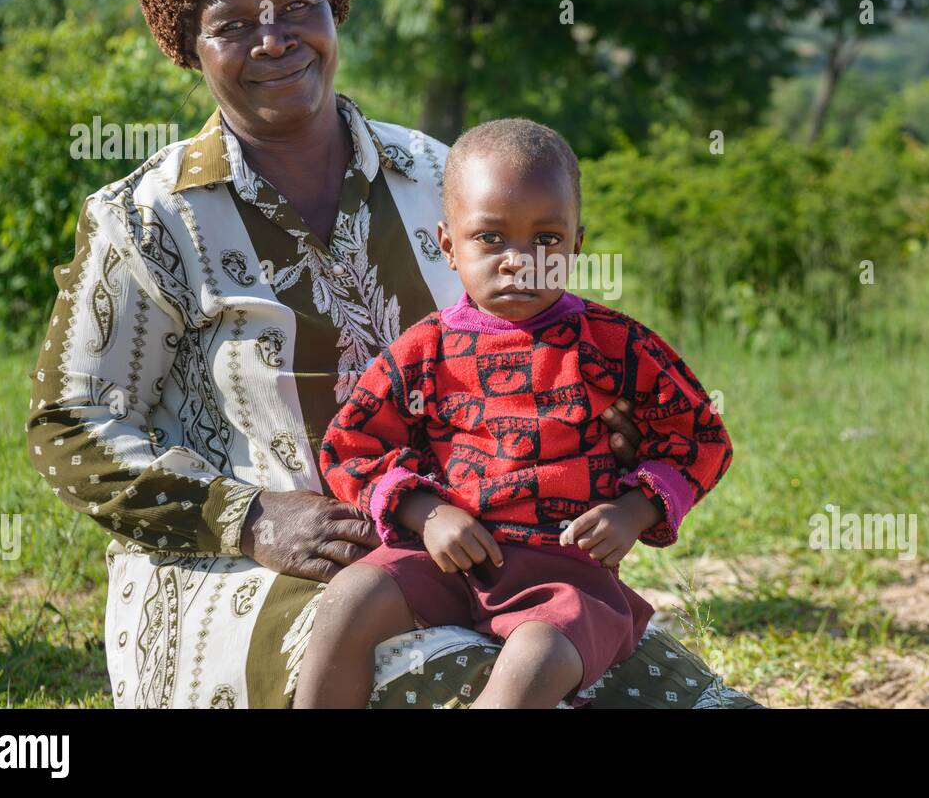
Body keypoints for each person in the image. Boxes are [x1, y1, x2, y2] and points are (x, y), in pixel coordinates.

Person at [25, 0, 759, 708]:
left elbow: (546, 346)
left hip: (500, 553)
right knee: (468, 687)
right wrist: (250, 516)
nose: (273, 40)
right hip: (263, 576)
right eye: (232, 24)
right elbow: (69, 424)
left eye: (298, 6)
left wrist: (609, 448)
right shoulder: (147, 219)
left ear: (335, 9)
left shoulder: (440, 176)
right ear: (189, 47)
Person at [296, 119, 732, 708]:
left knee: (536, 662)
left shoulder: (614, 346)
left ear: (578, 243)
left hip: (566, 575)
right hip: (446, 557)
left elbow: (701, 434)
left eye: (547, 239)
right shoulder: (422, 351)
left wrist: (634, 510)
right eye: (492, 238)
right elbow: (351, 445)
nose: (519, 260)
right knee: (352, 596)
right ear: (449, 245)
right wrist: (424, 513)